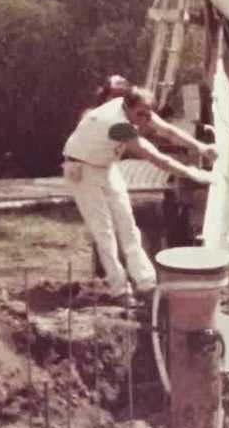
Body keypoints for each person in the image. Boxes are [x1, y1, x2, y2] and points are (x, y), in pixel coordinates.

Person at [63, 85, 216, 302]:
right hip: (82, 168)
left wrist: (200, 147)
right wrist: (193, 174)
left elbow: (168, 131)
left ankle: (146, 283)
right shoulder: (117, 124)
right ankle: (119, 289)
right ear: (127, 106)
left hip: (105, 164)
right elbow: (155, 157)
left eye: (147, 114)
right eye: (140, 114)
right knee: (104, 231)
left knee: (128, 225)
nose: (144, 119)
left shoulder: (135, 107)